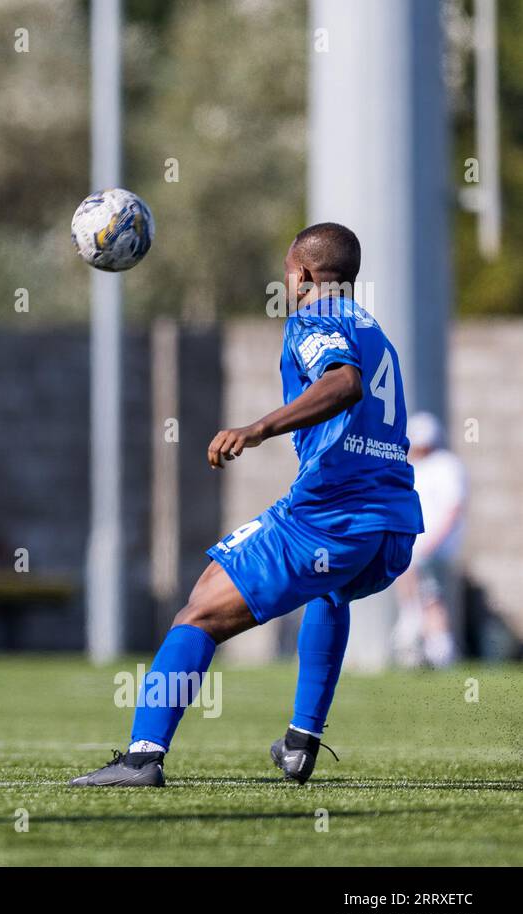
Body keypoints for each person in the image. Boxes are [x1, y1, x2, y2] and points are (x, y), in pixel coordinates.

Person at [72, 222, 423, 787]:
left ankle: (142, 757)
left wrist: (258, 428)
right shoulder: (373, 328)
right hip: (393, 524)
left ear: (302, 274)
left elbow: (343, 383)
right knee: (330, 591)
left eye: (288, 273)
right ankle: (301, 743)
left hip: (332, 515)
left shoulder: (315, 317)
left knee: (198, 612)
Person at [392, 411, 468, 668]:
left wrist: (431, 545)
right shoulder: (413, 468)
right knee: (416, 594)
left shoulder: (446, 465)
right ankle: (416, 640)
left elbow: (453, 508)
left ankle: (441, 652)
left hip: (435, 548)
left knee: (431, 598)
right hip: (417, 547)